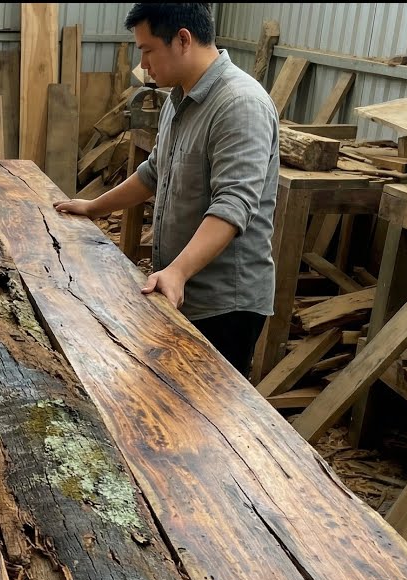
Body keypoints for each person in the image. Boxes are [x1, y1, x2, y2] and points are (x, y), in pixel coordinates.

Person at [55, 3, 279, 377]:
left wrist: (177, 272)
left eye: (147, 51)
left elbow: (234, 204)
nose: (143, 65)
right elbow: (153, 173)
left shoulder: (240, 104)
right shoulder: (177, 101)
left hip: (223, 306)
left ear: (183, 40)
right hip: (180, 288)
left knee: (212, 418)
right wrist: (94, 207)